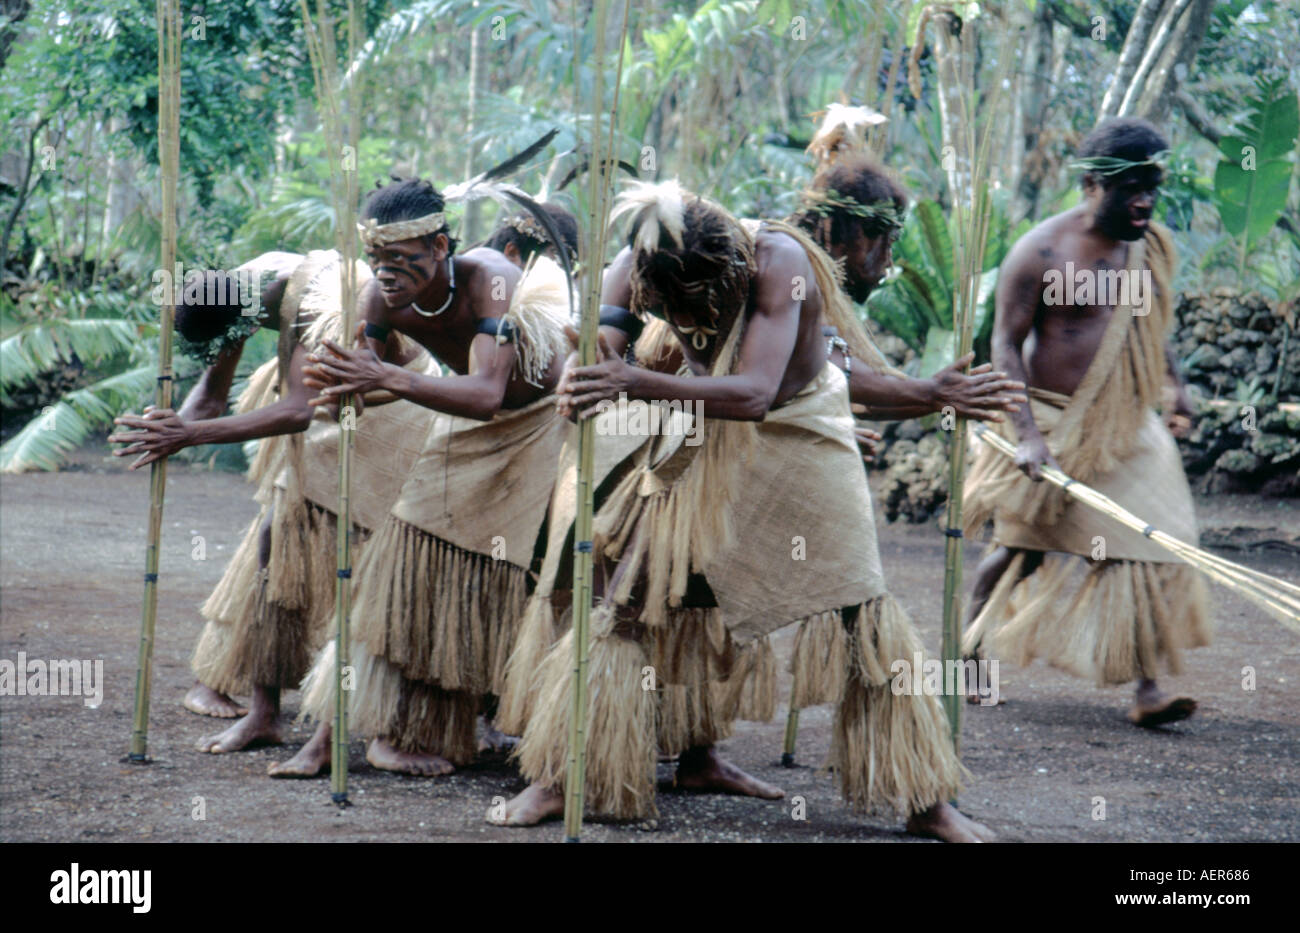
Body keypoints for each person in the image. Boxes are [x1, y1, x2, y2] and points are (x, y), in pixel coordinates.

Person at [493, 180, 992, 842]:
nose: (687, 314)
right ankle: (566, 774)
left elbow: (756, 392)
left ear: (729, 266)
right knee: (632, 593)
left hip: (798, 422)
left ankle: (928, 799)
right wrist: (587, 371)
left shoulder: (778, 261)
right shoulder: (632, 263)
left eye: (701, 299)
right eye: (671, 303)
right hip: (700, 415)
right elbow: (604, 348)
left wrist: (633, 380)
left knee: (860, 606)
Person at [269, 178, 573, 777]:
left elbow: (487, 392)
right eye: (377, 259)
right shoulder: (379, 297)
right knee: (394, 566)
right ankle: (329, 739)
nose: (386, 273)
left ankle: (494, 719)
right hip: (455, 412)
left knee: (514, 569)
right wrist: (343, 392)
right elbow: (353, 381)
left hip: (539, 424)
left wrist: (383, 377)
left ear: (439, 246)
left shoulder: (491, 281)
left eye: (402, 260)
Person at [111, 251, 435, 752]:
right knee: (274, 542)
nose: (236, 345)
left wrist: (189, 435)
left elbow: (296, 412)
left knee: (348, 559)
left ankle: (346, 721)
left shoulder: (315, 300)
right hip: (328, 399)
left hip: (391, 408)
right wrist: (160, 432)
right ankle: (265, 715)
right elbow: (211, 400)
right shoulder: (236, 291)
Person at [961, 117, 1210, 727]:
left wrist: (1175, 387)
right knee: (1019, 552)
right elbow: (1004, 345)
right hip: (1047, 422)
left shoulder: (1145, 246)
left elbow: (1151, 323)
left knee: (1155, 542)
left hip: (1127, 422)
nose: (1145, 199)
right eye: (1131, 187)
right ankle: (968, 658)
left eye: (1153, 184)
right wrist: (1027, 436)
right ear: (1094, 184)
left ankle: (1147, 687)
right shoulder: (1041, 250)